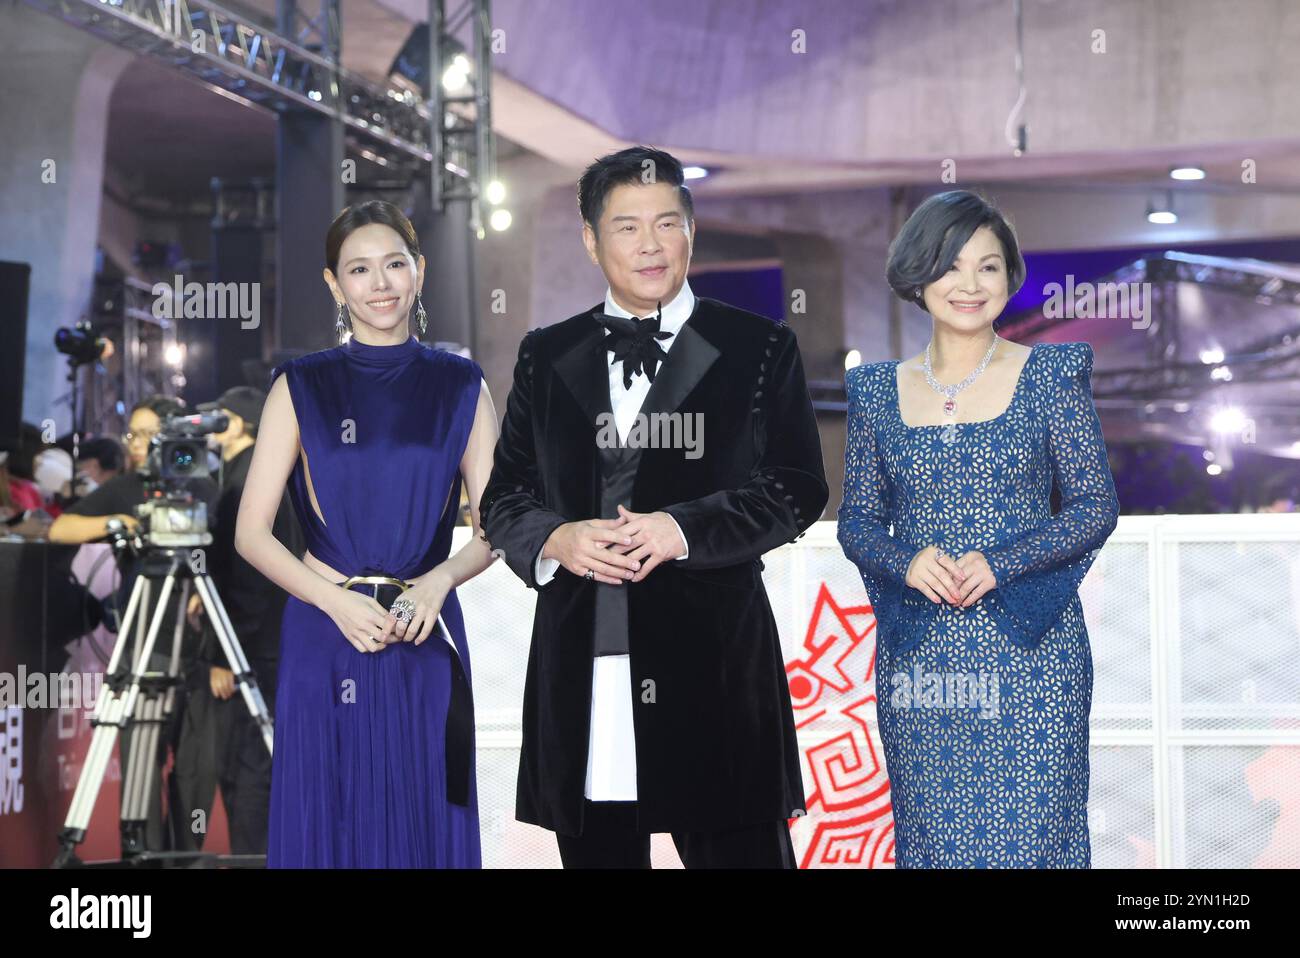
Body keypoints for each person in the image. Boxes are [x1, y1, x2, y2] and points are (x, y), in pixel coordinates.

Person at [481, 146, 828, 868]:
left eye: (666, 223)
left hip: (716, 669)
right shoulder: (547, 353)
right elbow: (504, 495)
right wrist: (556, 539)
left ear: (690, 232)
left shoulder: (759, 346)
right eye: (627, 227)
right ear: (590, 239)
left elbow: (796, 485)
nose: (649, 244)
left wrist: (683, 529)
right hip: (584, 666)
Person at [837, 189, 1120, 868]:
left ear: (1009, 278)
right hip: (922, 658)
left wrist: (1004, 561)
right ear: (918, 274)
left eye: (988, 267)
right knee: (935, 843)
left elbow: (1093, 504)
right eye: (950, 265)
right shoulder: (875, 391)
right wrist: (904, 561)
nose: (969, 284)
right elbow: (857, 520)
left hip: (1035, 654)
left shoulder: (1052, 374)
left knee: (1036, 840)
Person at [235, 200, 498, 867]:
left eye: (393, 265)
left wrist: (438, 582)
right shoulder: (300, 386)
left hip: (423, 627)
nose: (379, 284)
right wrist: (335, 602)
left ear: (419, 272)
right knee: (330, 812)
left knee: (424, 811)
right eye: (359, 269)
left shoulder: (461, 385)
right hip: (324, 630)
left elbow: (497, 528)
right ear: (333, 283)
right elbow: (252, 533)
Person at [173, 386, 304, 857]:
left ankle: (254, 857)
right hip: (271, 644)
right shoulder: (266, 475)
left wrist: (221, 655)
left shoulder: (245, 482)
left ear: (238, 424)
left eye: (219, 419)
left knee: (247, 769)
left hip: (248, 653)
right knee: (258, 767)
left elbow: (246, 584)